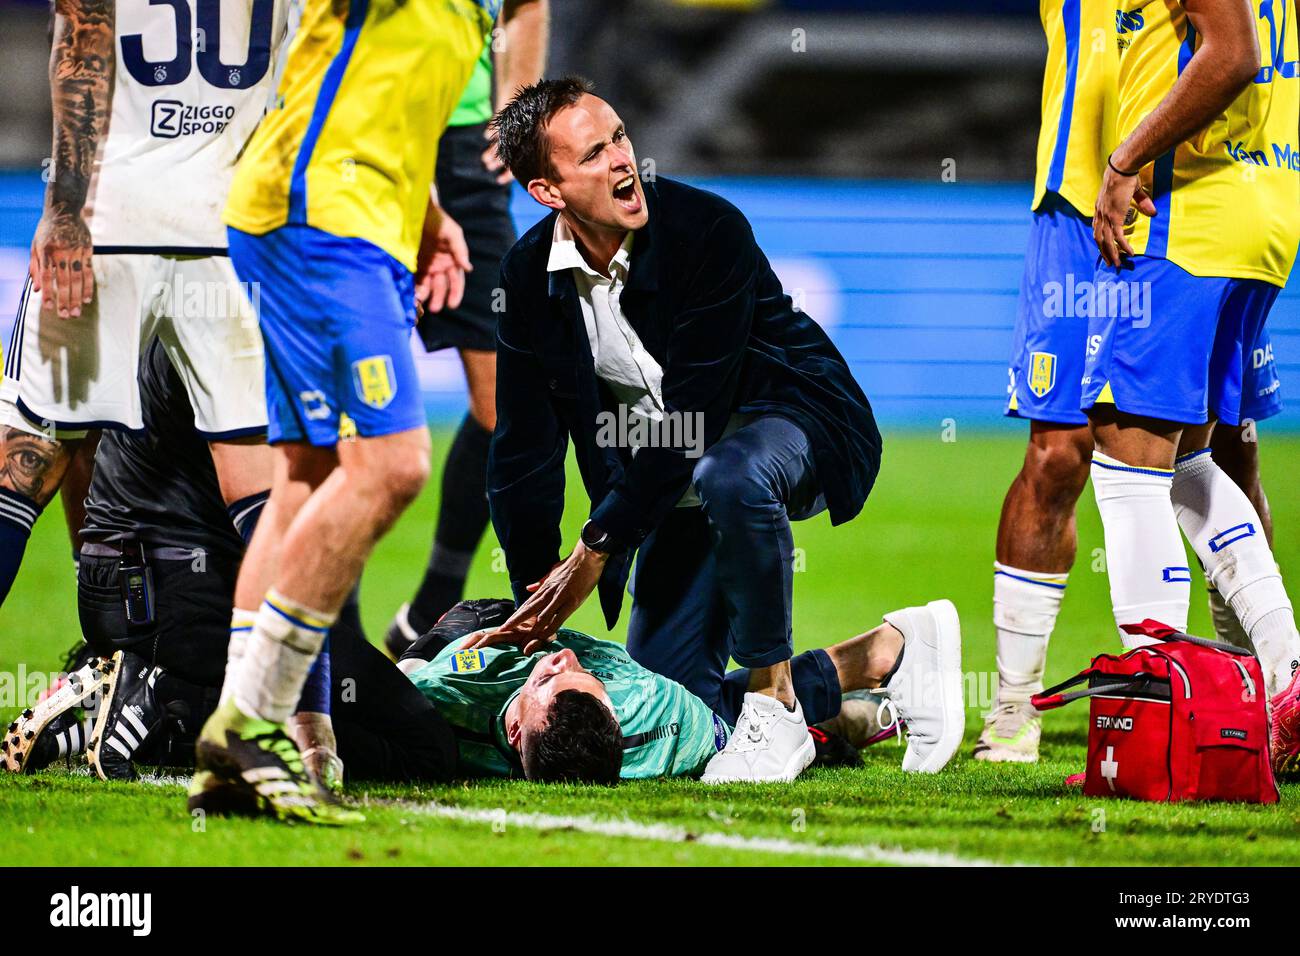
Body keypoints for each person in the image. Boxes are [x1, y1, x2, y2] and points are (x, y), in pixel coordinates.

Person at [467, 77, 964, 783]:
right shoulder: (527, 277)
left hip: (795, 423)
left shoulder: (706, 230)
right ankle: (886, 654)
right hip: (672, 483)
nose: (622, 161)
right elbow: (522, 450)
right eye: (593, 154)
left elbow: (694, 415)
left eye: (619, 138)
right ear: (549, 192)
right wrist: (534, 599)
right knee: (674, 709)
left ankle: (773, 703)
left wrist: (597, 547)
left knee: (729, 472)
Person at [192, 0, 495, 824]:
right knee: (394, 463)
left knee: (306, 479)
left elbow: (381, 93)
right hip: (322, 218)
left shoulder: (472, 12)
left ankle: (233, 753)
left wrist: (429, 212)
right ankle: (251, 721)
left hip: (354, 222)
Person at [978, 0, 1288, 763]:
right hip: (1081, 207)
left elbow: (1237, 50)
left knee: (1217, 453)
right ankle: (1016, 707)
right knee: (1059, 454)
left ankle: (1234, 694)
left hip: (1180, 199)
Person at [2, 341, 458, 786]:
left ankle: (147, 711)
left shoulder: (207, 304)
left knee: (376, 725)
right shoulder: (239, 336)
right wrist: (309, 711)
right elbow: (268, 524)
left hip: (130, 583)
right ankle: (159, 698)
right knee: (424, 747)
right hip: (178, 597)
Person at [0, 0, 288, 608]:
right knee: (260, 485)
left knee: (28, 456)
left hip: (110, 219)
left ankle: (112, 641)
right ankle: (296, 698)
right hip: (230, 230)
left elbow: (82, 50)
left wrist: (62, 210)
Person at [1086, 0, 1300, 775]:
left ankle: (1159, 706)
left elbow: (1232, 52)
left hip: (1191, 217)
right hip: (1263, 208)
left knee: (1126, 453)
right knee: (1187, 461)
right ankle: (1285, 674)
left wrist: (1123, 160)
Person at [387, 0, 550, 658]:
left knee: (507, 398)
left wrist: (517, 106)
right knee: (334, 415)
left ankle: (430, 608)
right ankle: (304, 645)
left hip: (466, 151)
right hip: (371, 131)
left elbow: (527, 4)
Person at [401, 598, 958, 781]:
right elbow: (564, 644)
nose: (560, 657)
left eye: (559, 668)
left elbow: (410, 683)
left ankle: (860, 698)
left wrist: (439, 654)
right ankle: (877, 671)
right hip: (705, 713)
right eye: (551, 670)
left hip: (692, 704)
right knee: (732, 700)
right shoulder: (650, 706)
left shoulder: (630, 700)